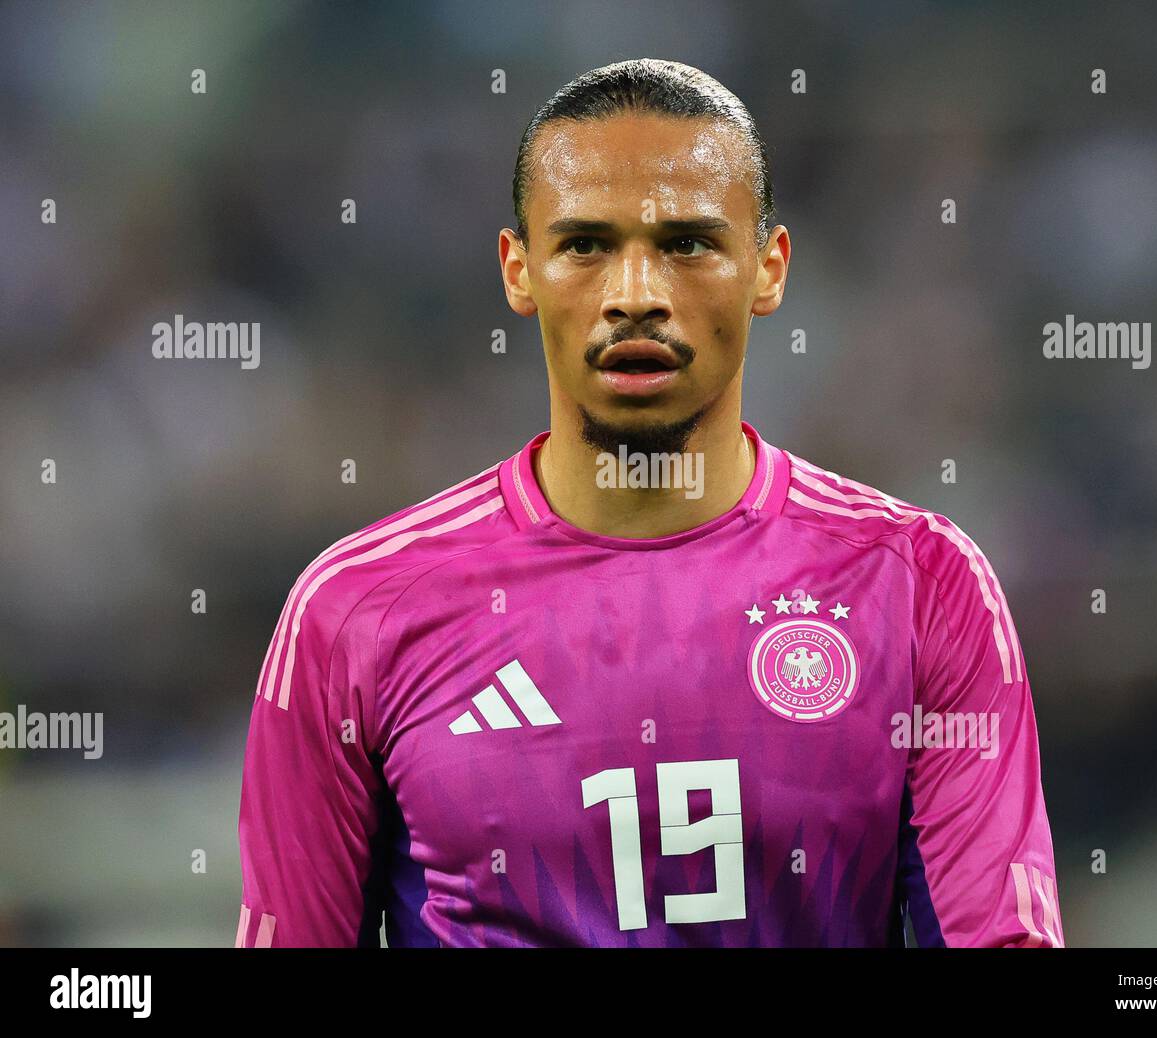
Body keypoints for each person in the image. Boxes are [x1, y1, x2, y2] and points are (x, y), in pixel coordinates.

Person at [235, 58, 1063, 948]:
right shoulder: (355, 613)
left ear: (767, 268)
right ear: (519, 271)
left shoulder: (919, 586)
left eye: (689, 243)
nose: (635, 296)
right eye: (586, 244)